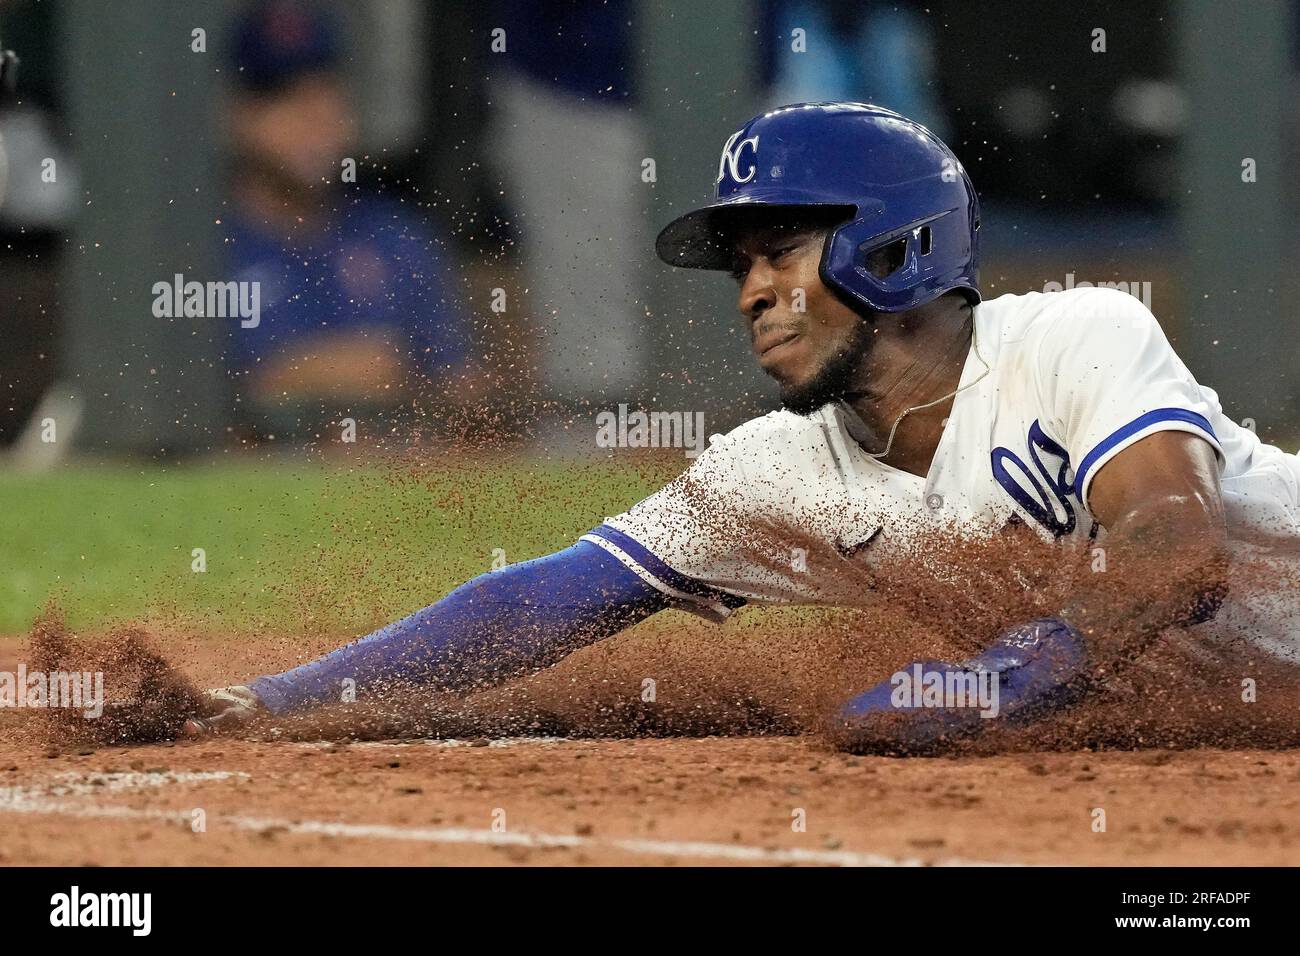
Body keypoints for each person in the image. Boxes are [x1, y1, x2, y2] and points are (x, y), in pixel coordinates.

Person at [185, 102, 1300, 753]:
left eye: (778, 248)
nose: (750, 288)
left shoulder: (1074, 337)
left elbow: (1174, 545)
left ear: (898, 244)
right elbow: (543, 599)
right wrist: (273, 698)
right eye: (740, 263)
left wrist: (999, 681)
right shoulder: (771, 470)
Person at [222, 0, 466, 439]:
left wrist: (400, 385)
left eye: (327, 92)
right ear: (239, 115)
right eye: (285, 97)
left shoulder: (399, 237)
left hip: (392, 489)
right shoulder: (199, 251)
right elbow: (170, 418)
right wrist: (309, 377)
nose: (314, 117)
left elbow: (465, 395)